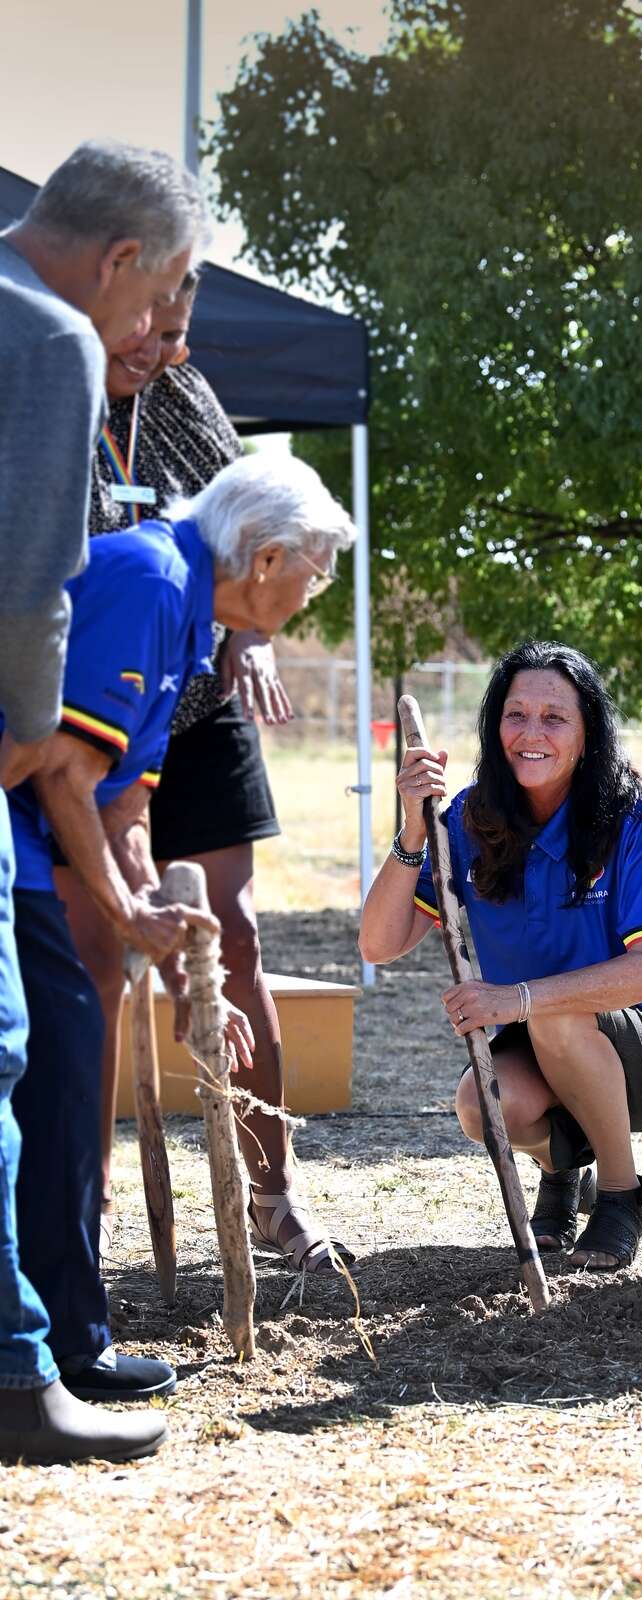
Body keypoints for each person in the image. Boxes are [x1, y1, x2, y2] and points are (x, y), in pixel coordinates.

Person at [3, 453, 355, 1425]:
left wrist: (174, 952)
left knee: (64, 1068)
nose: (317, 589)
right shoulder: (152, 581)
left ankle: (68, 1340)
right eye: (317, 568)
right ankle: (57, 1347)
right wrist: (128, 917)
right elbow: (64, 775)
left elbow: (126, 804)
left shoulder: (191, 616)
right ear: (267, 557)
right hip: (18, 841)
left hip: (32, 845)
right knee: (59, 1069)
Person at [56, 272, 333, 1274]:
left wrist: (248, 639)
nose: (162, 350)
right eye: (150, 328)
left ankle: (272, 1189)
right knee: (89, 953)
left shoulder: (182, 395)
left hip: (188, 689)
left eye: (177, 333)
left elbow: (255, 536)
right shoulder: (42, 379)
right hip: (85, 692)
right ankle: (76, 1212)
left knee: (231, 936)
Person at [0, 138, 207, 1463]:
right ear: (120, 257)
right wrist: (24, 736)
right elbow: (30, 586)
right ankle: (18, 1377)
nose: (149, 330)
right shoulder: (48, 339)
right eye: (155, 294)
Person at [359, 642, 642, 1270]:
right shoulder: (470, 819)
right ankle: (560, 1174)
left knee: (554, 1014)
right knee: (482, 1104)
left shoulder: (635, 821)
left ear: (588, 735)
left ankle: (619, 1195)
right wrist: (415, 830)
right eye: (516, 715)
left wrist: (514, 1000)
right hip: (548, 1041)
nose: (532, 733)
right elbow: (378, 943)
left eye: (554, 717)